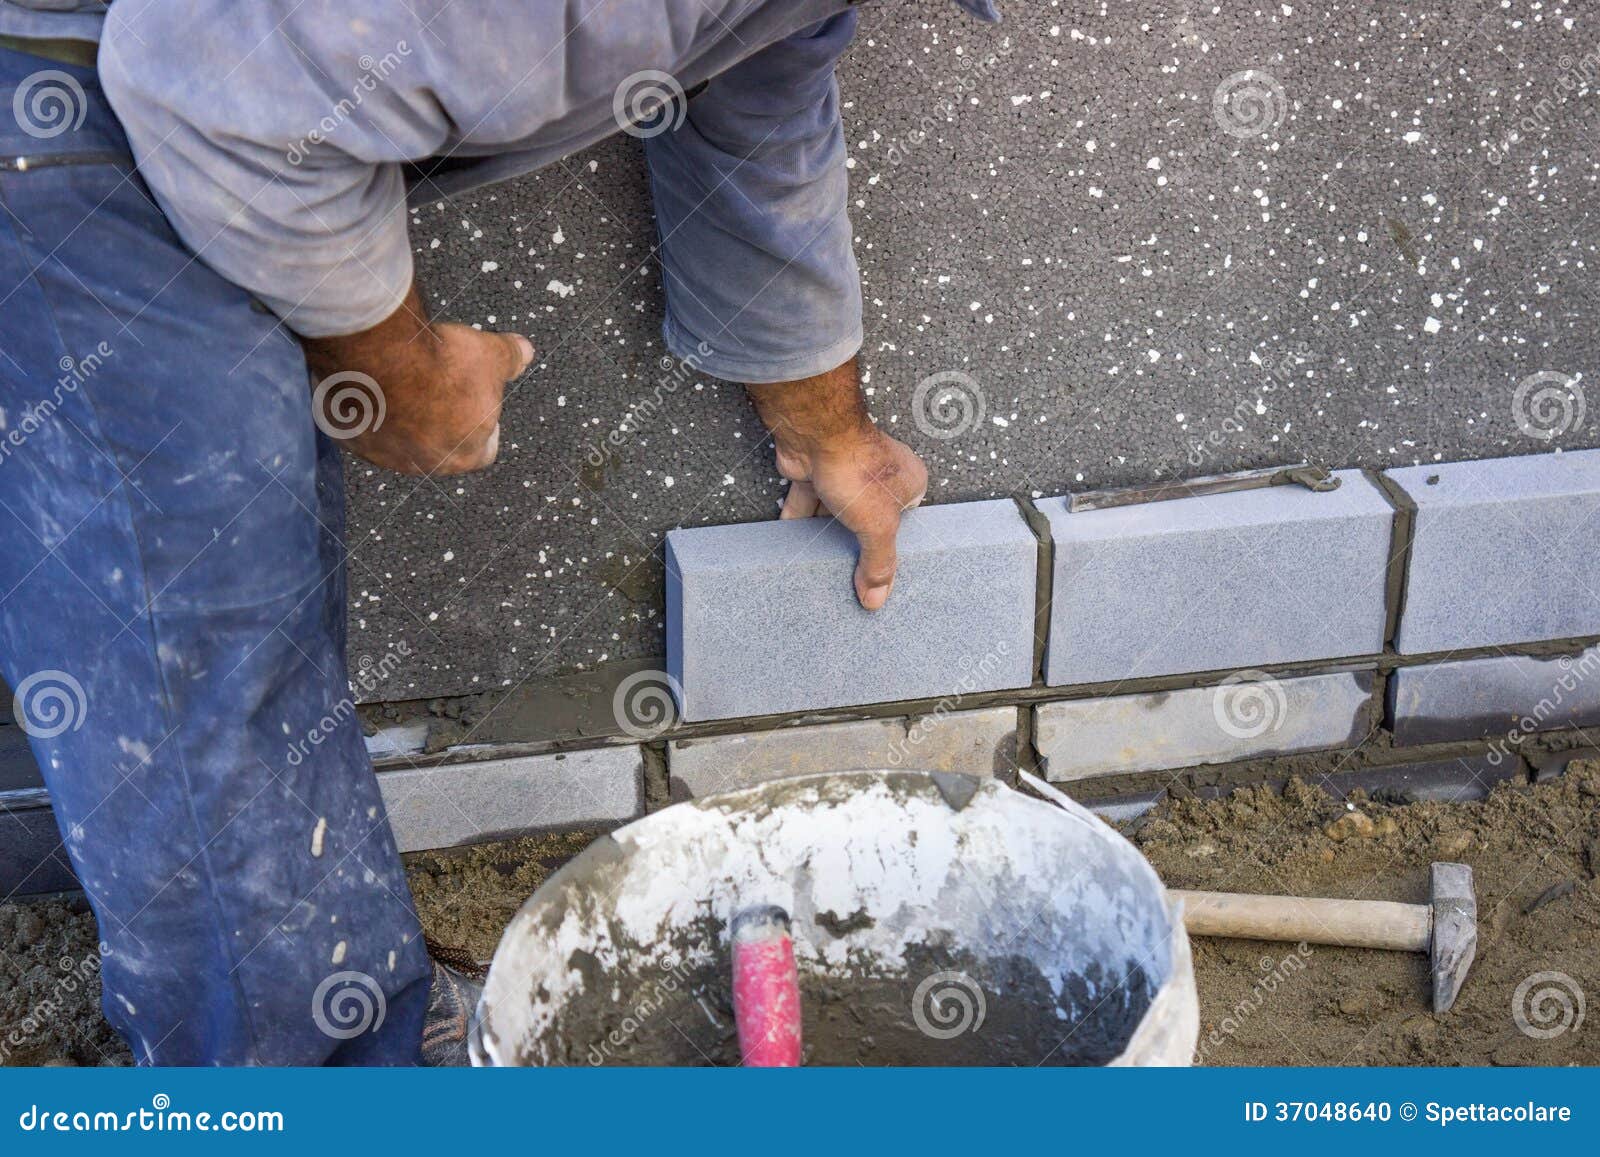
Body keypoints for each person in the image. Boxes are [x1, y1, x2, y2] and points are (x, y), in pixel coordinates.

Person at [0, 0, 998, 1065]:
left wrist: (825, 424)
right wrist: (396, 372)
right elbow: (205, 81)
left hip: (197, 90)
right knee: (206, 647)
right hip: (72, 90)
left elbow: (752, 97)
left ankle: (337, 999)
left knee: (261, 627)